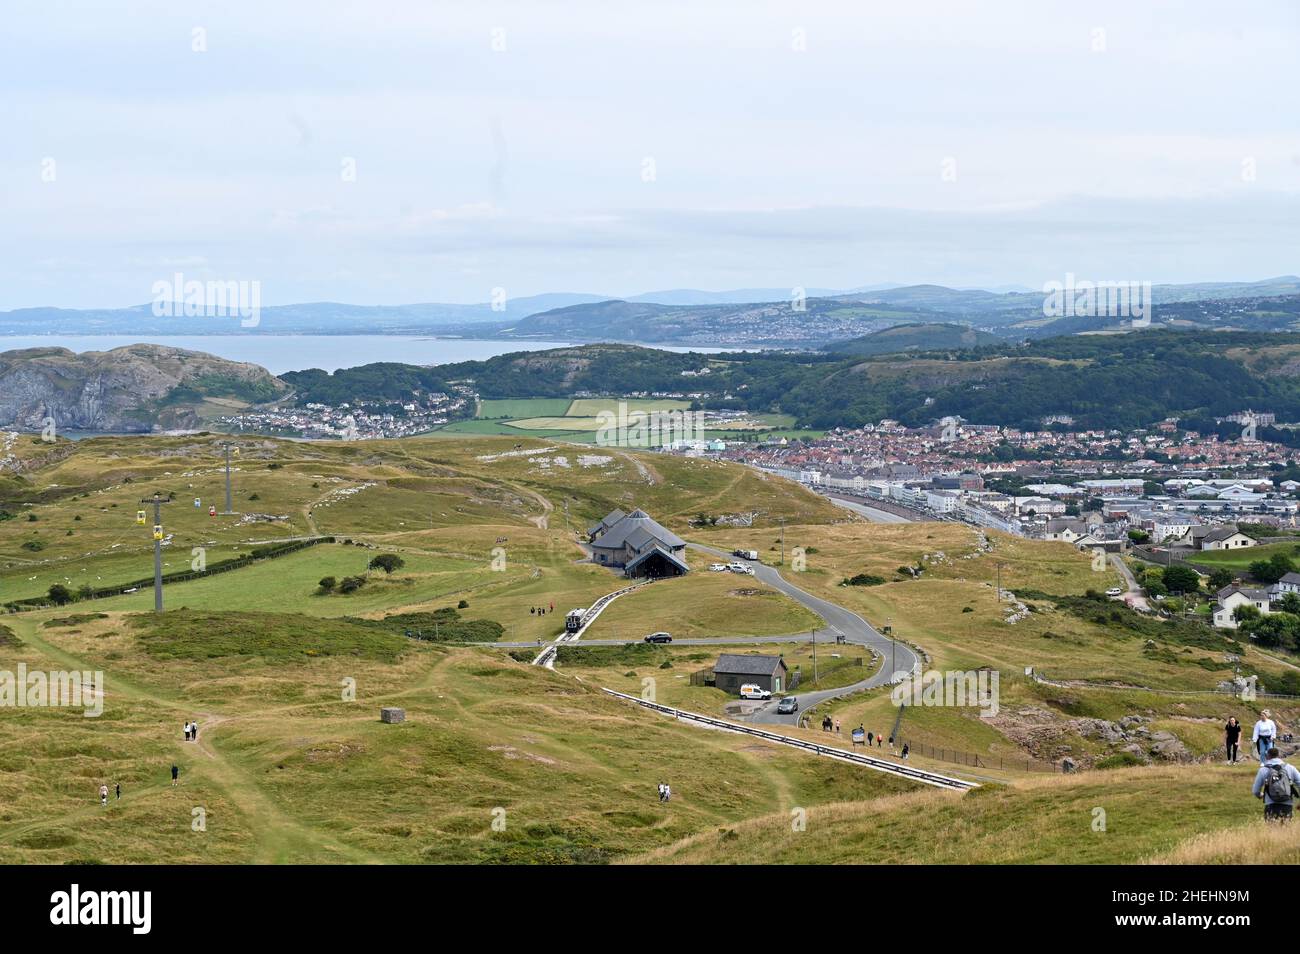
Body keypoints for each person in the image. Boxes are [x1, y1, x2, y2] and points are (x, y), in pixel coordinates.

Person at [1252, 747, 1300, 821]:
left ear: (1268, 756)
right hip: (1287, 804)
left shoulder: (1263, 770)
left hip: (1270, 804)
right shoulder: (1290, 768)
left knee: (1271, 831)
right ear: (1278, 755)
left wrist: (1260, 795)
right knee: (1286, 830)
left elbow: (1255, 791)